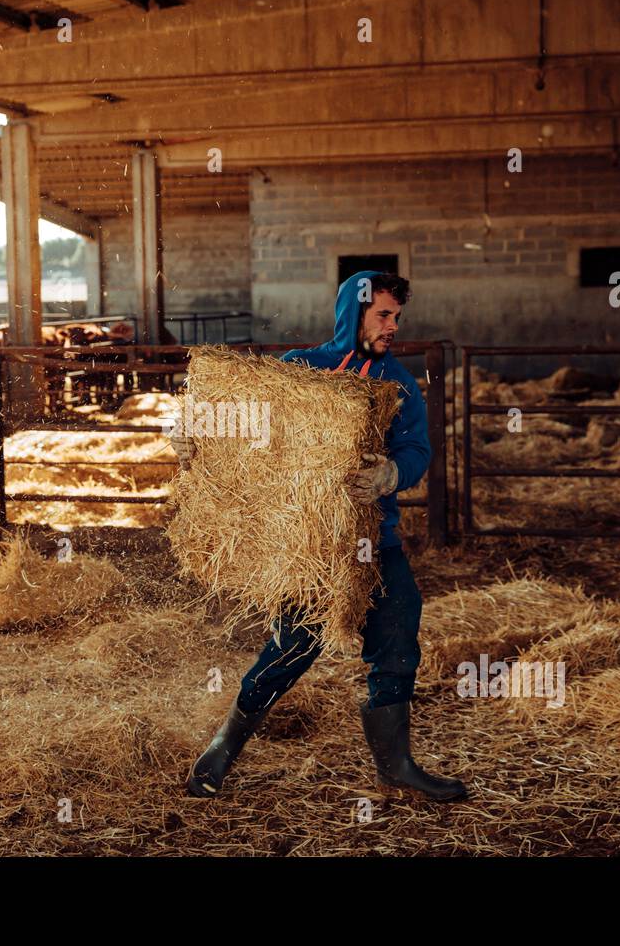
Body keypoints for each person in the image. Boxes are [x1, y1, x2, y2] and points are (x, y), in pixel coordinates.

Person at [169, 270, 468, 802]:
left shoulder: (396, 385)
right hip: (308, 550)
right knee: (293, 646)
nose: (392, 325)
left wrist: (390, 475)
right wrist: (198, 442)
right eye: (382, 314)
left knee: (399, 629)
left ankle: (395, 765)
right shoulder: (301, 371)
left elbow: (417, 450)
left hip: (376, 541)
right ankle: (223, 747)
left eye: (397, 316)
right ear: (354, 313)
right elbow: (249, 434)